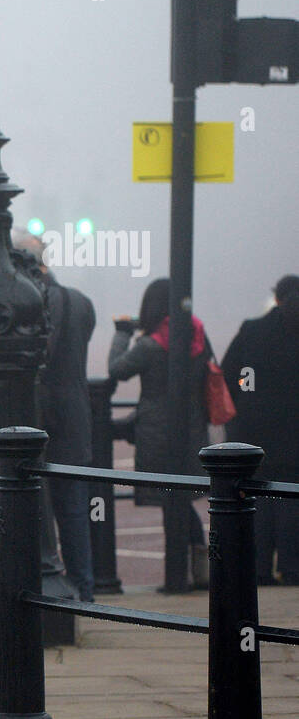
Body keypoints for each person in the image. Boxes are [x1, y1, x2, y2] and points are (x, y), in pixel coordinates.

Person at [108, 277, 215, 590]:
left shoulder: (150, 346)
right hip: (192, 429)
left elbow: (117, 369)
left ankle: (177, 576)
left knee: (171, 502)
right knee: (180, 500)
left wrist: (121, 334)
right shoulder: (198, 336)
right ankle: (201, 570)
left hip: (157, 432)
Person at [15, 228, 97, 601]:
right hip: (75, 417)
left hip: (39, 420)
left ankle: (42, 586)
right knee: (75, 511)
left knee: (32, 509)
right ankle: (84, 589)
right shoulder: (80, 301)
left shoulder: (24, 303)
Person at [221, 275, 299, 585]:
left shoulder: (252, 329)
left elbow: (231, 374)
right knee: (292, 497)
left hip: (254, 428)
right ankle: (293, 568)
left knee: (259, 497)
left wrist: (247, 392)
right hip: (294, 430)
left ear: (276, 298)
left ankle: (260, 568)